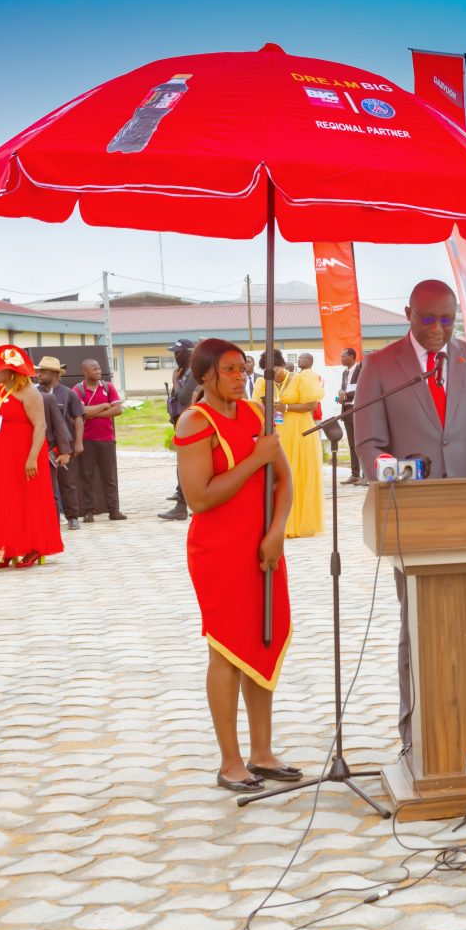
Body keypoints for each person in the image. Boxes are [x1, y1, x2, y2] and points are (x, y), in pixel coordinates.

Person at [353, 279, 466, 752]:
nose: (438, 330)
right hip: (414, 521)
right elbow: (369, 445)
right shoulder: (382, 368)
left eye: (447, 320)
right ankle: (416, 734)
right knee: (418, 628)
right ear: (408, 313)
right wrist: (390, 474)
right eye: (427, 320)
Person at [172, 338, 296, 793]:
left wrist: (278, 530)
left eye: (243, 368)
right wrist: (252, 462)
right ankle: (230, 762)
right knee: (227, 650)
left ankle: (262, 753)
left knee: (262, 639)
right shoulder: (194, 421)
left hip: (264, 546)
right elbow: (199, 497)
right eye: (229, 370)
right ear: (204, 375)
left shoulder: (256, 415)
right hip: (219, 552)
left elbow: (284, 479)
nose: (241, 376)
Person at [0, 345, 64, 568]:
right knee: (6, 500)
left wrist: (32, 458)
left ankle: (34, 547)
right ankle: (11, 546)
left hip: (24, 454)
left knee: (27, 499)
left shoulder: (30, 393)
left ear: (12, 371)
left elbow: (40, 426)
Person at [255, 351, 323, 538]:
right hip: (279, 432)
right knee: (281, 476)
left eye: (276, 369)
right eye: (269, 371)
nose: (273, 373)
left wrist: (286, 407)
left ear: (283, 365)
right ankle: (281, 522)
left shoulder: (299, 379)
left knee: (299, 474)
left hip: (300, 431)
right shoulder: (262, 382)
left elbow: (311, 405)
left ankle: (299, 523)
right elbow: (257, 407)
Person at [73, 357, 125, 522]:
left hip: (107, 439)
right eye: (93, 369)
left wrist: (92, 413)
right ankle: (88, 511)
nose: (98, 371)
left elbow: (117, 410)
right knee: (86, 476)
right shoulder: (78, 389)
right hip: (86, 439)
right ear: (85, 371)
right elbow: (81, 412)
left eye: (98, 368)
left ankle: (114, 510)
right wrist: (104, 406)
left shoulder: (108, 387)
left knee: (109, 476)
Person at [36, 356, 84, 530]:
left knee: (67, 482)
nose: (38, 374)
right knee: (48, 486)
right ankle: (52, 519)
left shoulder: (68, 393)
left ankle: (72, 517)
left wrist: (78, 443)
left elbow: (78, 418)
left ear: (55, 374)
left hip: (64, 445)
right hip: (43, 445)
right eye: (38, 371)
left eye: (43, 371)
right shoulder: (34, 392)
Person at [160, 339, 200, 522]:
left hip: (193, 425)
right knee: (185, 466)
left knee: (187, 466)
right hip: (183, 424)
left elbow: (183, 398)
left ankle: (182, 506)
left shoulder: (194, 373)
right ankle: (183, 504)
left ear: (189, 353)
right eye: (174, 353)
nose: (176, 357)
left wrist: (175, 381)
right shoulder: (186, 371)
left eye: (179, 353)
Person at [336, 347, 364, 484]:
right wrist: (340, 394)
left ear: (352, 357)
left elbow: (360, 389)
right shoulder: (344, 373)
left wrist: (345, 394)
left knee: (361, 443)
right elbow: (345, 389)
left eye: (343, 357)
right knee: (352, 443)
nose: (341, 359)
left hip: (358, 410)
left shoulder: (361, 371)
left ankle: (366, 475)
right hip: (346, 410)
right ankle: (355, 474)